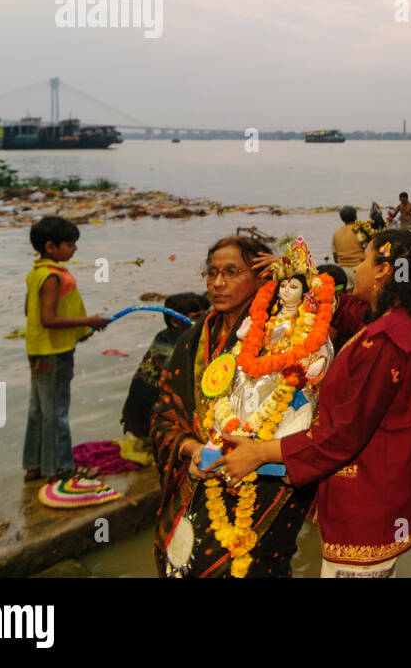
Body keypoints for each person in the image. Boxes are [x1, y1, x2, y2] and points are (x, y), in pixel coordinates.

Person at [216, 229, 411, 577]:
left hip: (367, 508)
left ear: (381, 270)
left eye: (364, 260)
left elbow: (341, 435)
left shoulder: (386, 342)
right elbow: (341, 308)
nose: (357, 269)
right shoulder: (389, 322)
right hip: (377, 501)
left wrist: (259, 453)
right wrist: (298, 275)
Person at [151, 235, 322, 578]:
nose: (217, 283)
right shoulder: (189, 342)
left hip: (265, 484)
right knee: (185, 564)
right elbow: (162, 414)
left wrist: (289, 273)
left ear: (261, 277)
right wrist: (191, 448)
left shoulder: (284, 334)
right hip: (199, 477)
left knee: (255, 567)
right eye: (212, 273)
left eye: (231, 272)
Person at [23, 216, 109, 483]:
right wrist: (88, 321)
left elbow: (30, 312)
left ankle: (35, 466)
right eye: (70, 244)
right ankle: (60, 468)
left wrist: (78, 333)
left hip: (39, 349)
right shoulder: (52, 276)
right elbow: (48, 319)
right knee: (57, 411)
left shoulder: (36, 272)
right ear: (51, 247)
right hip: (54, 352)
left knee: (39, 409)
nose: (75, 249)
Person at [120, 292, 209, 441]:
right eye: (197, 317)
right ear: (175, 321)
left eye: (205, 315)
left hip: (134, 420)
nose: (204, 321)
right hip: (152, 425)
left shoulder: (162, 336)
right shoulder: (185, 344)